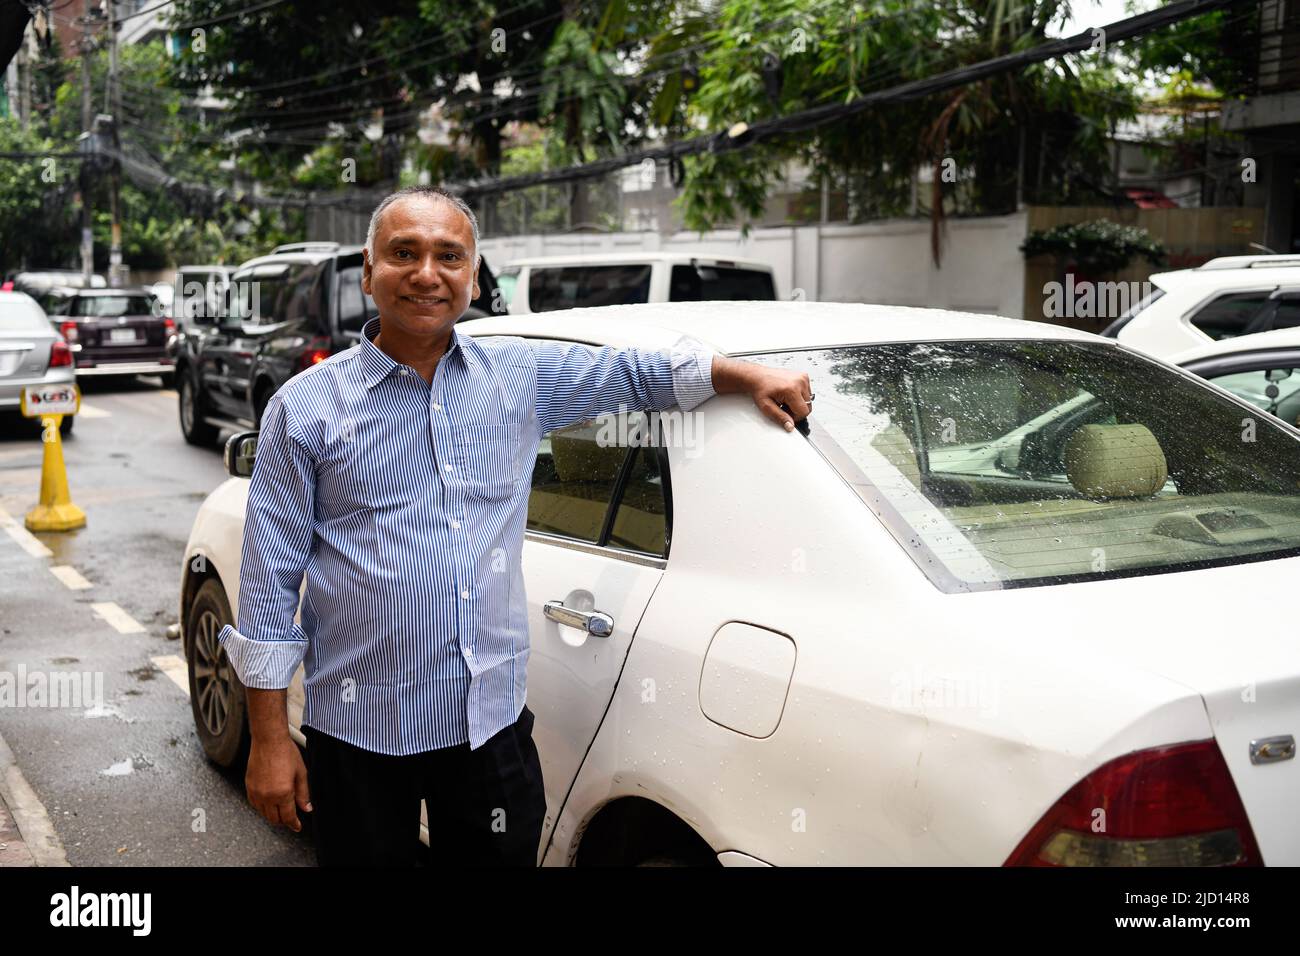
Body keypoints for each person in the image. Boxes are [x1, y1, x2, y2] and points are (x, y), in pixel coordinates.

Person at [217, 185, 813, 866]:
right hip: (358, 737)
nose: (426, 274)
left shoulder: (518, 375)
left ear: (472, 275)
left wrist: (740, 374)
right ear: (369, 270)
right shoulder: (307, 406)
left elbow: (633, 374)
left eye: (449, 256)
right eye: (404, 253)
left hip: (488, 732)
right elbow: (269, 585)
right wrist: (269, 741)